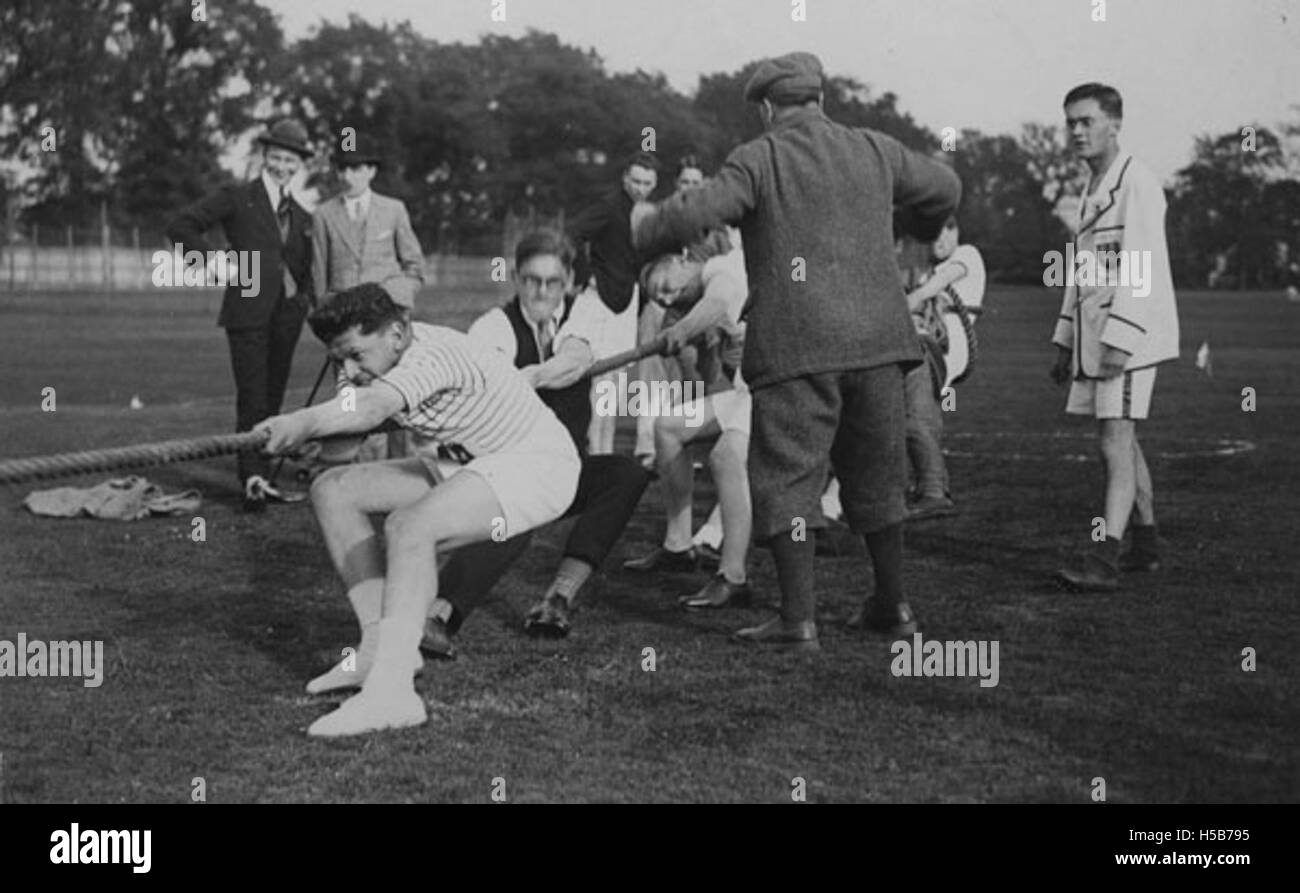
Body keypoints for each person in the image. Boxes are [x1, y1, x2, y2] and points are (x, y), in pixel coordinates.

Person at [633, 52, 961, 651]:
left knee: (786, 479)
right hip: (882, 345)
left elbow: (701, 210)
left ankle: (798, 621)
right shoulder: (874, 149)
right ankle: (895, 607)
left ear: (766, 107)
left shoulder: (759, 157)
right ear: (821, 100)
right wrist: (914, 223)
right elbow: (946, 186)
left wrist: (649, 229)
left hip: (797, 346)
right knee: (879, 479)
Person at [257, 283, 580, 736]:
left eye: (355, 355)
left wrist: (302, 421)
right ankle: (381, 651)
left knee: (410, 528)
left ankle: (392, 696)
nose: (349, 369)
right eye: (338, 359)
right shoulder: (364, 363)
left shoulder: (432, 354)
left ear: (396, 333)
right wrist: (308, 440)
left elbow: (374, 409)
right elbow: (347, 437)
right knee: (333, 490)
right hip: (467, 458)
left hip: (537, 465)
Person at [415, 229, 650, 652]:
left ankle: (558, 598)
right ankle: (440, 615)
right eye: (531, 280)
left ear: (569, 283)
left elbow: (575, 358)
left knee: (626, 474)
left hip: (564, 469)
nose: (542, 291)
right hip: (504, 468)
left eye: (553, 282)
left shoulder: (584, 316)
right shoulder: (491, 328)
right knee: (514, 516)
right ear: (516, 279)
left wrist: (531, 377)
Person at [1050, 83, 1179, 590]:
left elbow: (1141, 269)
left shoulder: (1137, 183)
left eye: (1087, 121)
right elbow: (1082, 271)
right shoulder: (1093, 186)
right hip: (1097, 334)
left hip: (1128, 337)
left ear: (1115, 123)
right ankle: (1144, 546)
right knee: (1123, 440)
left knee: (1113, 441)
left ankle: (1102, 560)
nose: (1077, 131)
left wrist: (1120, 342)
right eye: (1071, 123)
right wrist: (1064, 339)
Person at [167, 118, 316, 512]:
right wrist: (213, 262)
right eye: (278, 157)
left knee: (273, 399)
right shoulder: (238, 195)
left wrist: (306, 305)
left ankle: (262, 476)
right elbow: (181, 225)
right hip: (247, 311)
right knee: (252, 398)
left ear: (299, 165)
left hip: (287, 318)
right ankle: (250, 478)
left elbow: (305, 273)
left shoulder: (302, 216)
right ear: (266, 156)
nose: (284, 166)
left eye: (292, 161)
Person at [621, 241, 753, 609]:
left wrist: (681, 331)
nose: (663, 298)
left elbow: (716, 303)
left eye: (662, 283)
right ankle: (679, 546)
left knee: (726, 457)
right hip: (746, 392)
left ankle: (733, 575)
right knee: (668, 427)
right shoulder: (687, 308)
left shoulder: (722, 268)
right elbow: (711, 373)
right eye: (656, 298)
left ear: (681, 261)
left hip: (776, 392)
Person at [311, 133, 426, 461]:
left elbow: (415, 268)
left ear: (371, 171)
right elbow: (320, 281)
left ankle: (402, 472)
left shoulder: (393, 210)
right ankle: (359, 475)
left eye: (356, 168)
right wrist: (331, 328)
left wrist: (390, 304)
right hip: (348, 336)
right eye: (342, 169)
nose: (347, 176)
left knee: (400, 400)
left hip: (389, 330)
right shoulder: (324, 215)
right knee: (352, 406)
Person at [567, 151, 659, 455]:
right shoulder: (609, 206)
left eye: (647, 183)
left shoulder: (645, 212)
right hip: (601, 301)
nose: (640, 188)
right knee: (599, 383)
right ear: (624, 179)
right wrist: (587, 275)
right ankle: (595, 457)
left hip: (627, 301)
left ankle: (605, 456)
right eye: (635, 181)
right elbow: (574, 233)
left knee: (615, 384)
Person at [902, 215, 986, 520]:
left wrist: (908, 302)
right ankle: (929, 485)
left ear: (955, 231)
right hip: (931, 342)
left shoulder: (967, 254)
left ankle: (934, 491)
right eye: (931, 239)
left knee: (914, 413)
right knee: (913, 410)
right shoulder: (929, 268)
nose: (937, 245)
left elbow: (934, 287)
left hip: (949, 345)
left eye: (941, 237)